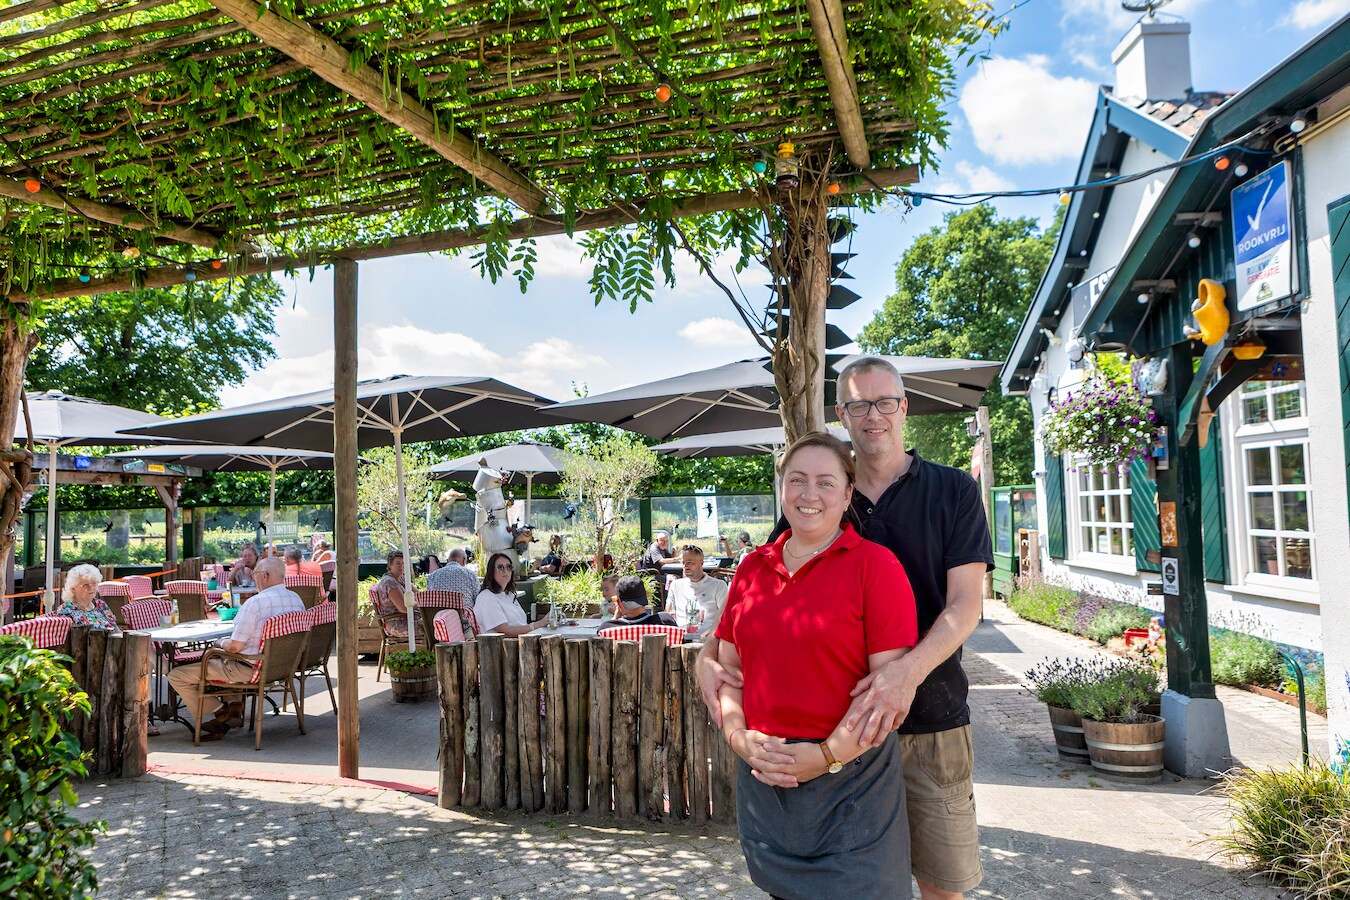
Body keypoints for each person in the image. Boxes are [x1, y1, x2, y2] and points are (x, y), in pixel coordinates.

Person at [699, 357, 993, 900]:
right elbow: (764, 589)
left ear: (903, 408)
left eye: (885, 402)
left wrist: (904, 675)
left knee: (941, 881)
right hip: (838, 724)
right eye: (859, 404)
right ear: (843, 413)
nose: (873, 415)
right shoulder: (824, 489)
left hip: (930, 719)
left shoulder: (952, 490)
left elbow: (965, 607)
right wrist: (708, 657)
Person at [714, 432, 918, 898]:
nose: (810, 495)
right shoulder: (750, 568)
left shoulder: (876, 566)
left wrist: (825, 757)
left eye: (826, 483)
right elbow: (729, 673)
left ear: (848, 495)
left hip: (852, 779)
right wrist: (738, 738)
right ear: (780, 486)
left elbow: (882, 700)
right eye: (797, 480)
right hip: (765, 778)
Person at [168, 557, 303, 741]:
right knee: (222, 661)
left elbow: (234, 646)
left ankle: (219, 714)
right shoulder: (296, 600)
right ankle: (233, 708)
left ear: (264, 576)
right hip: (282, 668)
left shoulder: (256, 603)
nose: (254, 578)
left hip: (250, 670)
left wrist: (218, 643)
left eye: (255, 574)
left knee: (177, 674)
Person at [473, 553, 548, 637]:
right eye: (500, 567)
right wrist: (538, 624)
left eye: (509, 567)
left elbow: (521, 625)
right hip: (502, 647)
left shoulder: (509, 595)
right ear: (491, 571)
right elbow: (505, 631)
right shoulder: (486, 598)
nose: (505, 571)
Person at [665, 545, 729, 638]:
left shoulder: (718, 586)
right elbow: (668, 612)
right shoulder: (676, 585)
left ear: (701, 563)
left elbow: (725, 617)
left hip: (708, 638)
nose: (685, 566)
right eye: (683, 563)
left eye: (690, 563)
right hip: (680, 637)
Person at [597, 576, 677, 632]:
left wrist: (615, 617)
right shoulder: (667, 622)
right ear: (646, 596)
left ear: (618, 602)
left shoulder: (606, 629)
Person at [54, 564, 118, 631]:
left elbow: (116, 629)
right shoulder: (65, 611)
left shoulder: (101, 605)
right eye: (85, 585)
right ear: (73, 588)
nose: (91, 588)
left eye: (94, 583)